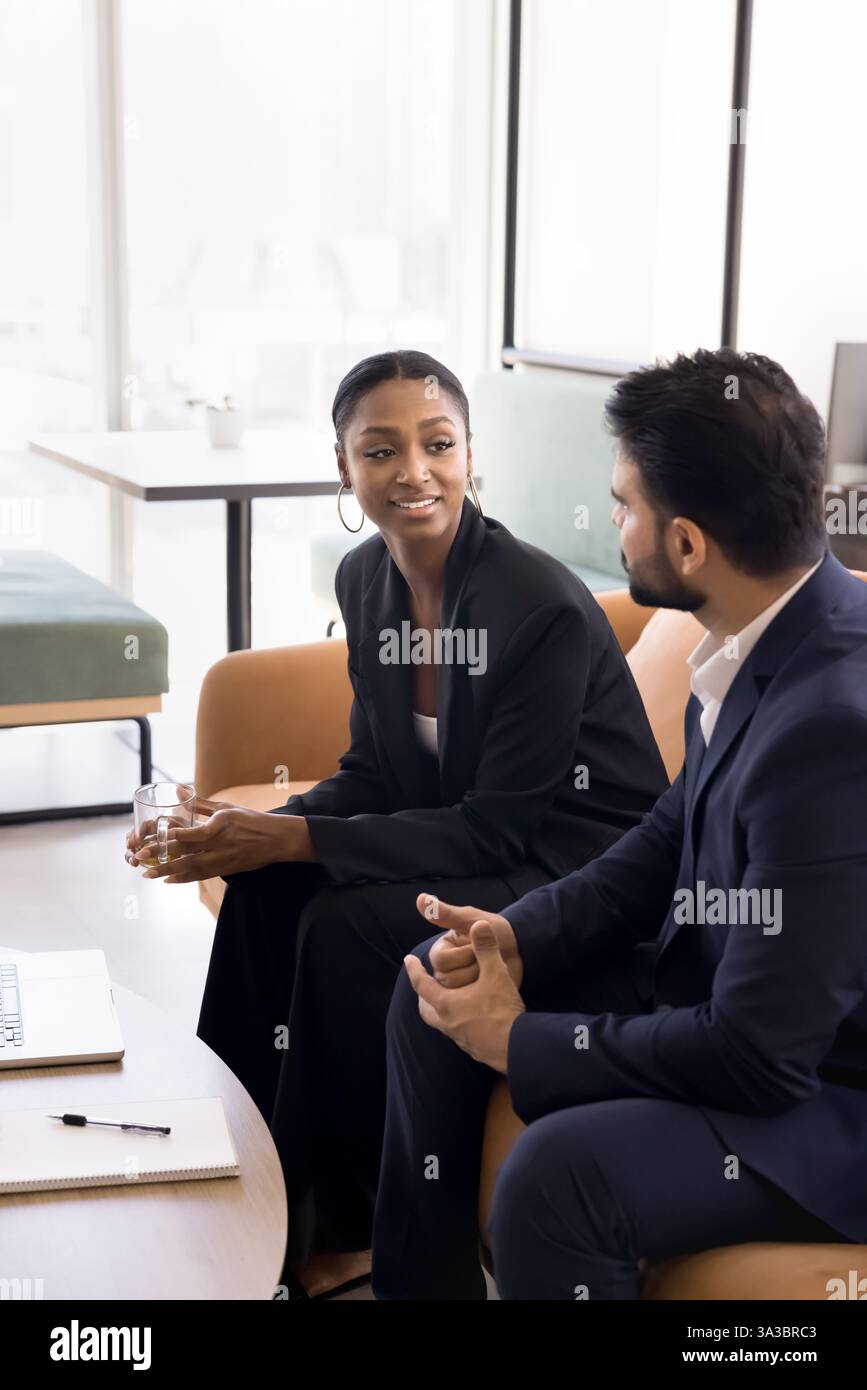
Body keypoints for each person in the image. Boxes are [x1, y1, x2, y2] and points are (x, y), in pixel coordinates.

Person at [126, 349, 667, 1297]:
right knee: (263, 887)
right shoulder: (365, 582)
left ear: (469, 456)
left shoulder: (536, 606)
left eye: (437, 444)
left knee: (345, 925)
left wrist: (295, 834)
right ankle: (233, 1166)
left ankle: (341, 1231)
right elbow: (375, 773)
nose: (413, 471)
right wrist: (250, 831)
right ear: (344, 469)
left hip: (572, 873)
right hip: (476, 842)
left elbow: (497, 830)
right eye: (380, 451)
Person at [374, 347, 867, 1300]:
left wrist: (522, 1042)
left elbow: (759, 1056)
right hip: (725, 997)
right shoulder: (759, 635)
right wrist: (513, 934)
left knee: (559, 1181)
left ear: (684, 544)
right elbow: (666, 836)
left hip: (825, 1094)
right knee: (436, 981)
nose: (611, 523)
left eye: (622, 505)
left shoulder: (831, 726)